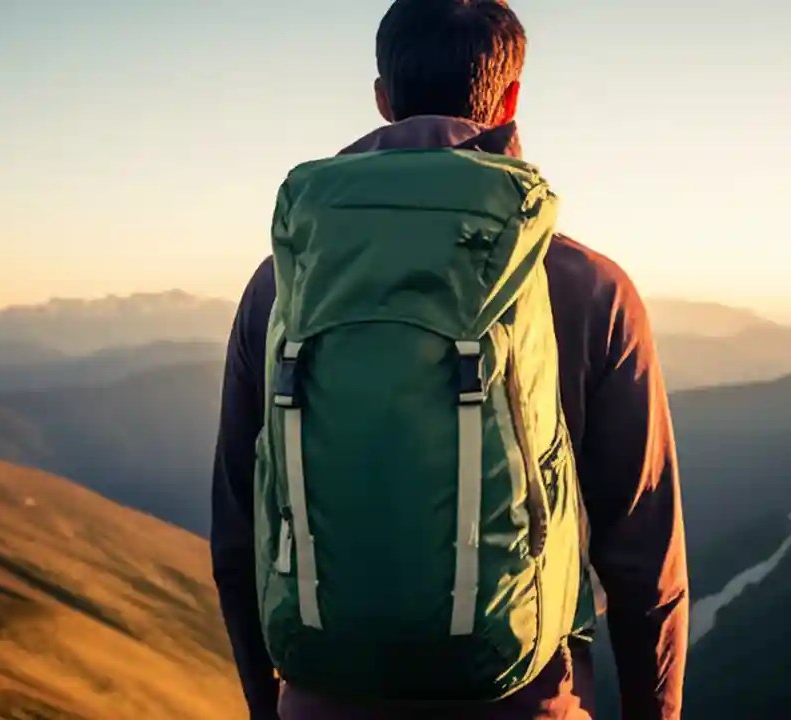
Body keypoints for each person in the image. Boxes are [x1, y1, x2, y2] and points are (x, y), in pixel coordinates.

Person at [210, 1, 688, 718]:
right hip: (526, 700)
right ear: (511, 99)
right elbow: (643, 559)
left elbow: (238, 530)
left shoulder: (282, 285)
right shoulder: (587, 286)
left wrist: (267, 702)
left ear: (381, 98)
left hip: (323, 701)